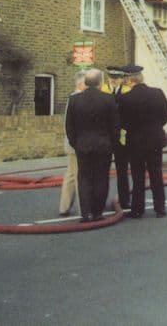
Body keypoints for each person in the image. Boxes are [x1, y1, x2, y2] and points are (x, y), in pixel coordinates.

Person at [65, 68, 119, 222]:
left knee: (85, 178)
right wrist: (112, 144)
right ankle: (98, 211)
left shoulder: (74, 100)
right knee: (101, 177)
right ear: (101, 82)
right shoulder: (109, 99)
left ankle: (86, 212)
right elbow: (115, 125)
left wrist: (75, 143)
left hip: (82, 145)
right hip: (104, 145)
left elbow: (69, 126)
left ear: (86, 82)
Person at [118, 65, 167, 218]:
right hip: (155, 139)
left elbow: (122, 122)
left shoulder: (125, 99)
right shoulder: (158, 93)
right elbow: (165, 116)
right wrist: (155, 127)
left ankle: (138, 209)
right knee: (156, 173)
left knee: (137, 176)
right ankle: (160, 208)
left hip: (135, 141)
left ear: (128, 80)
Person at [103, 66, 132, 210]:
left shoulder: (127, 91)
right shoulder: (101, 90)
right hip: (105, 136)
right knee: (103, 171)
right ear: (108, 77)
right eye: (112, 78)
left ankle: (124, 200)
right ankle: (101, 201)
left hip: (122, 137)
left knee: (122, 170)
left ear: (121, 79)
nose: (114, 81)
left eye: (117, 78)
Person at [59, 70, 87, 217]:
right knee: (78, 176)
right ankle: (83, 209)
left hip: (72, 143)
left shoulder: (73, 97)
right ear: (80, 84)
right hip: (76, 144)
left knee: (70, 175)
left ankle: (64, 207)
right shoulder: (77, 98)